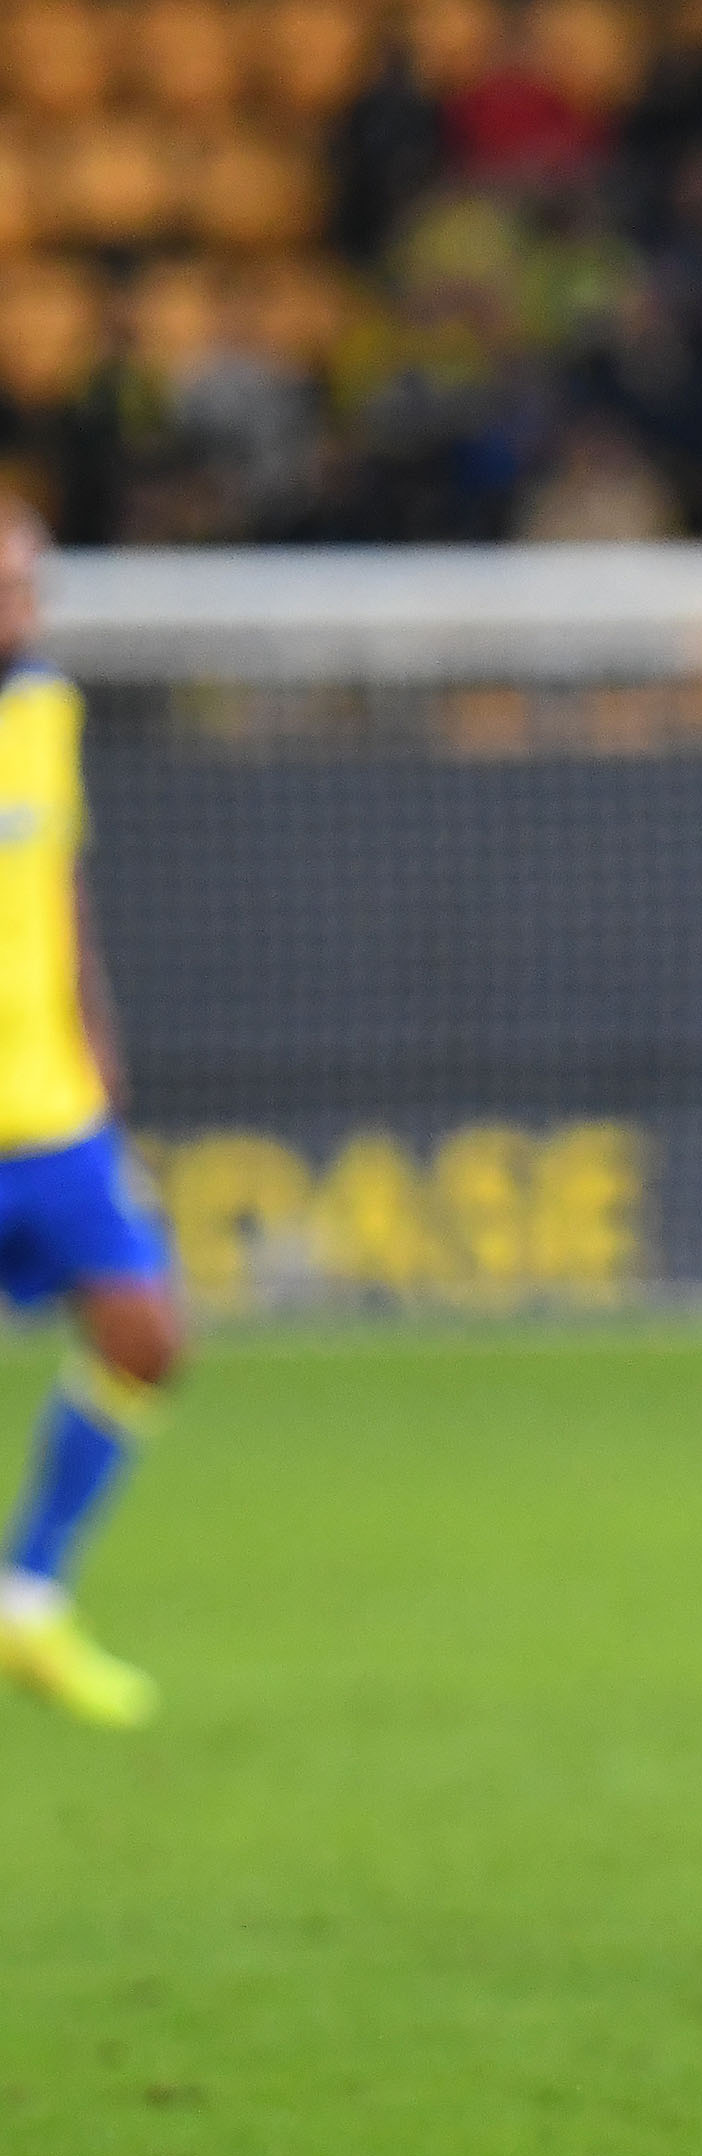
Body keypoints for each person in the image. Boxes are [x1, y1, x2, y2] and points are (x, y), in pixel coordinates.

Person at [0, 500, 178, 1730]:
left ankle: (29, 1593)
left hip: (52, 1113)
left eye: (31, 583)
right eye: (7, 585)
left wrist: (97, 1040)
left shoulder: (43, 708)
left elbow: (56, 879)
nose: (25, 607)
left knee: (147, 1335)